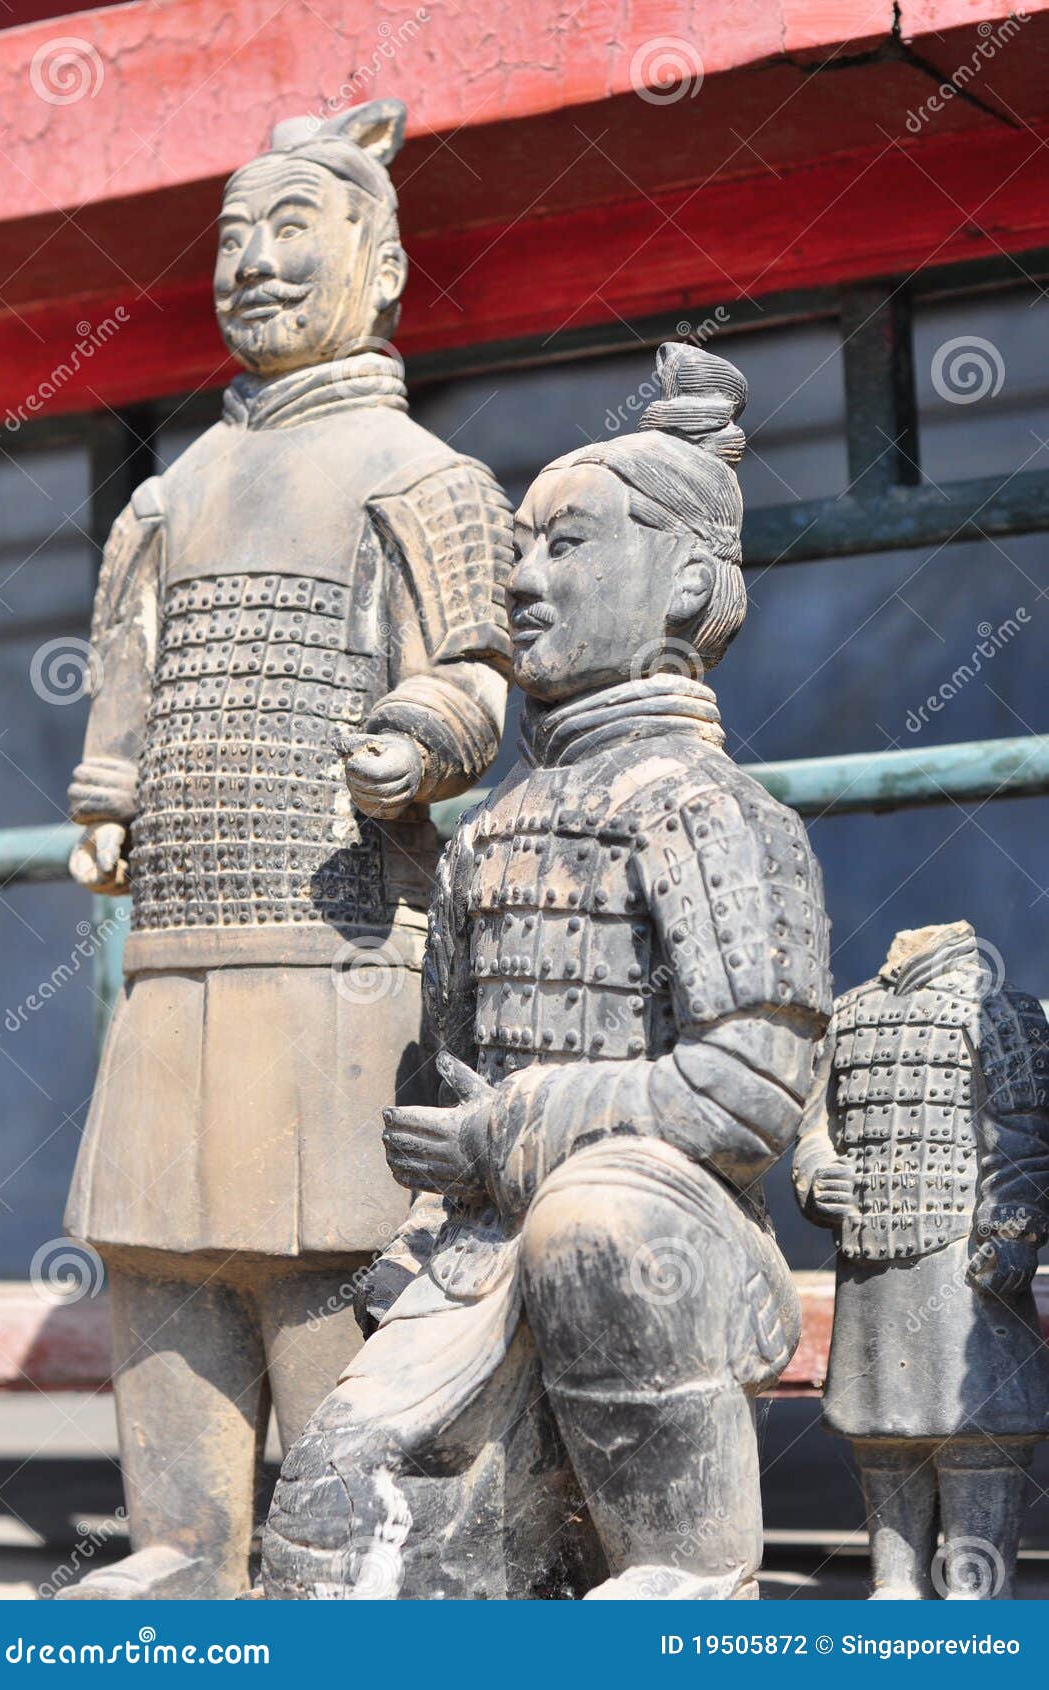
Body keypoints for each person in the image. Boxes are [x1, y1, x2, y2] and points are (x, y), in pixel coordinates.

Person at [262, 341, 833, 1600]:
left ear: (684, 579)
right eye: (520, 545)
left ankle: (684, 1569)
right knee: (328, 1541)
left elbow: (746, 1095)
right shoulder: (498, 830)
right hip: (476, 1256)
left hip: (660, 1251)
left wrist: (505, 1129)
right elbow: (451, 1063)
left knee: (593, 1220)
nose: (521, 580)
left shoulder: (713, 810)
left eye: (565, 546)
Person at [60, 98, 511, 1599]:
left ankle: (343, 1566)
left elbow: (478, 669)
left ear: (381, 267)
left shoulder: (416, 472)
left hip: (338, 956)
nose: (248, 267)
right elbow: (128, 668)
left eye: (287, 236)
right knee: (154, 1247)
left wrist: (427, 733)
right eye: (230, 241)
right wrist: (110, 797)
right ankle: (180, 1543)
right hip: (175, 968)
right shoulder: (171, 488)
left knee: (334, 1255)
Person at [794, 922, 1049, 1600]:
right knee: (884, 1433)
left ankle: (973, 1603)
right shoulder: (849, 1014)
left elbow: (1025, 1133)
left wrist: (1012, 1236)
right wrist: (816, 1176)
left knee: (977, 1433)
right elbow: (812, 1124)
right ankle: (896, 1592)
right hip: (871, 1269)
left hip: (962, 1270)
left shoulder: (1000, 1010)